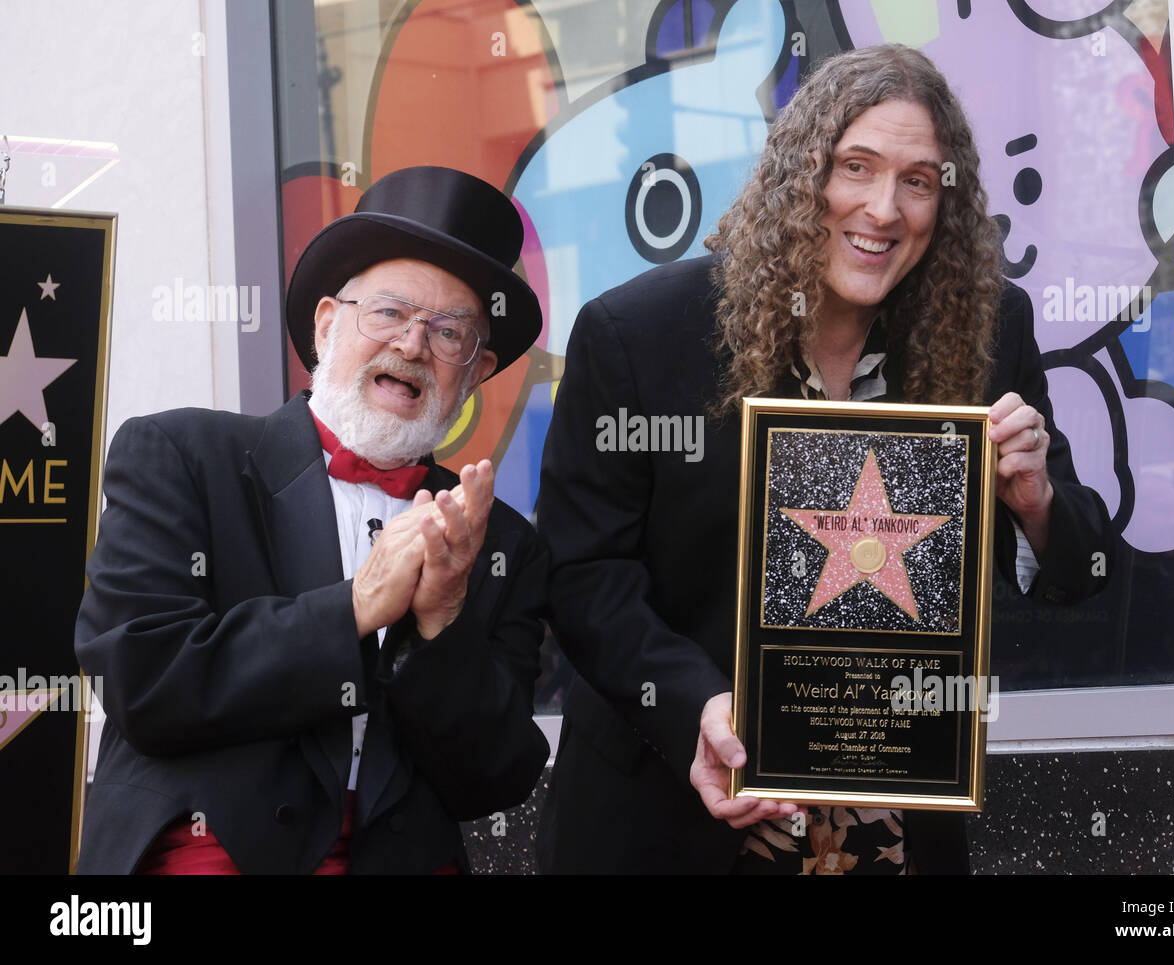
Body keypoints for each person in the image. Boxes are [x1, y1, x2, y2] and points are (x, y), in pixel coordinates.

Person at [535, 46, 1115, 874]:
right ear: (800, 176)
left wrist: (1034, 499)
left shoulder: (985, 331)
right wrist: (696, 702)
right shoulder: (639, 338)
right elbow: (582, 573)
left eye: (917, 180)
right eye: (856, 168)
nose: (883, 208)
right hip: (674, 816)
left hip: (893, 833)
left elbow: (1084, 566)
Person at [75, 166, 550, 874]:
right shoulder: (181, 455)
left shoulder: (499, 540)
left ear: (475, 373)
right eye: (388, 312)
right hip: (208, 850)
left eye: (449, 332)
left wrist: (443, 623)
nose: (414, 344)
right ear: (328, 325)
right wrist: (354, 607)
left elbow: (497, 775)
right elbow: (142, 682)